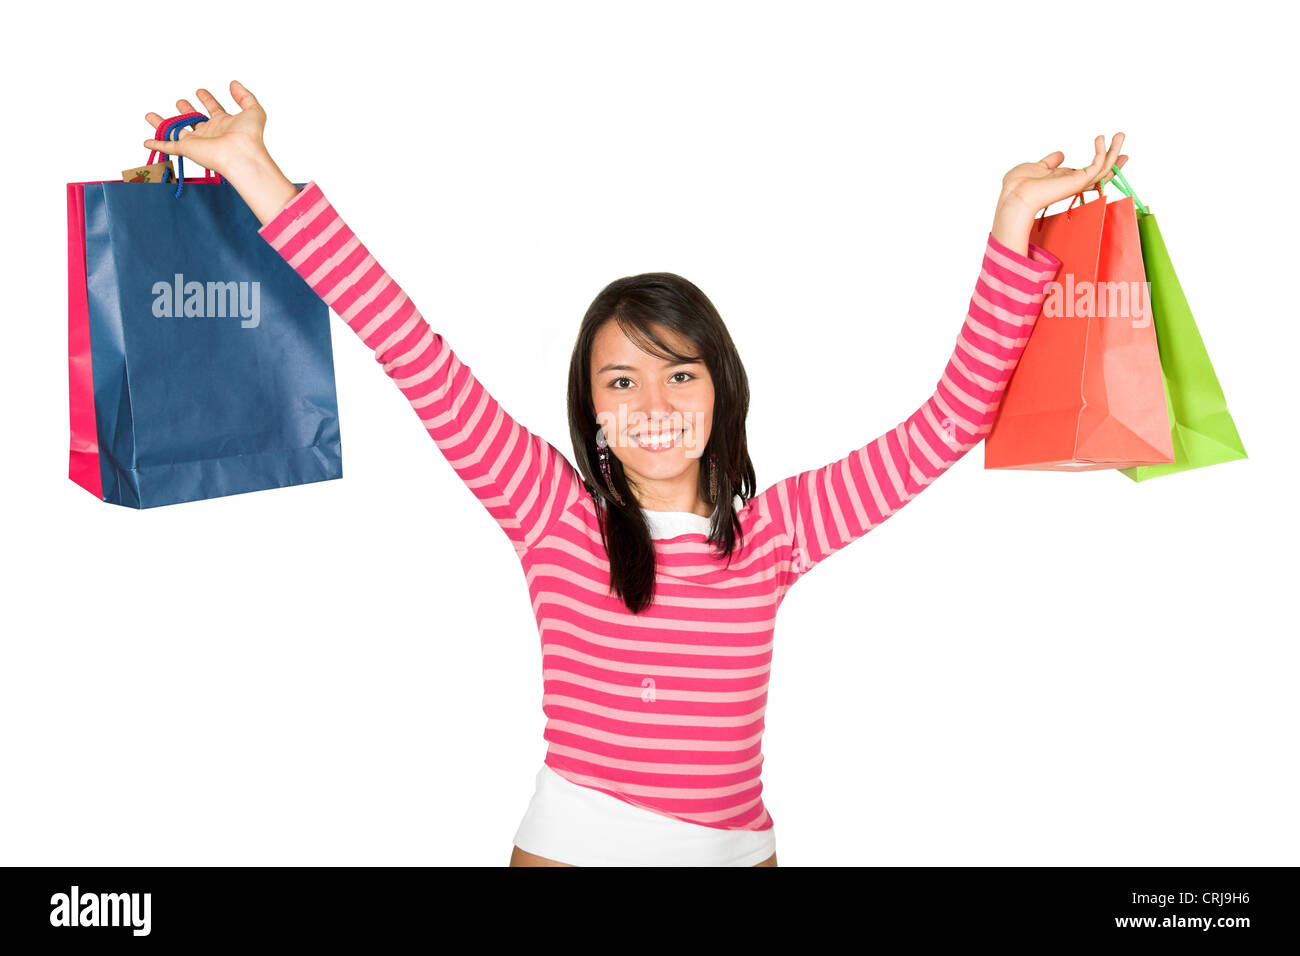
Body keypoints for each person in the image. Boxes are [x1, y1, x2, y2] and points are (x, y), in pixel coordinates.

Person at [144, 81, 1127, 867]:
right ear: (594, 409)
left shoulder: (779, 529)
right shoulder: (547, 510)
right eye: (621, 375)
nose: (652, 396)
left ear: (718, 390)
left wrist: (1009, 224)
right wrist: (251, 167)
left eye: (679, 369)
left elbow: (952, 418)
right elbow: (406, 340)